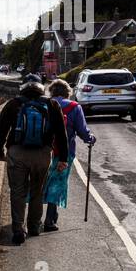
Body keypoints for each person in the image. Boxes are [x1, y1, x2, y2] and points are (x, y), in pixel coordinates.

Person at [0, 74, 70, 245]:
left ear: (23, 86)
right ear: (41, 86)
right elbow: (61, 134)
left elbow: (0, 130)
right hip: (42, 154)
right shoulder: (52, 104)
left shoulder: (14, 103)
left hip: (17, 153)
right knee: (37, 191)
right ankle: (34, 226)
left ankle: (18, 229)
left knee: (18, 192)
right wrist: (63, 158)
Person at [42, 78, 96, 231]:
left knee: (43, 182)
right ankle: (49, 220)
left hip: (45, 149)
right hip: (65, 152)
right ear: (67, 92)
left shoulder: (46, 105)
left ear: (51, 92)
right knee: (57, 183)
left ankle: (38, 218)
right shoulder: (74, 107)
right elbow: (82, 131)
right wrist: (90, 138)